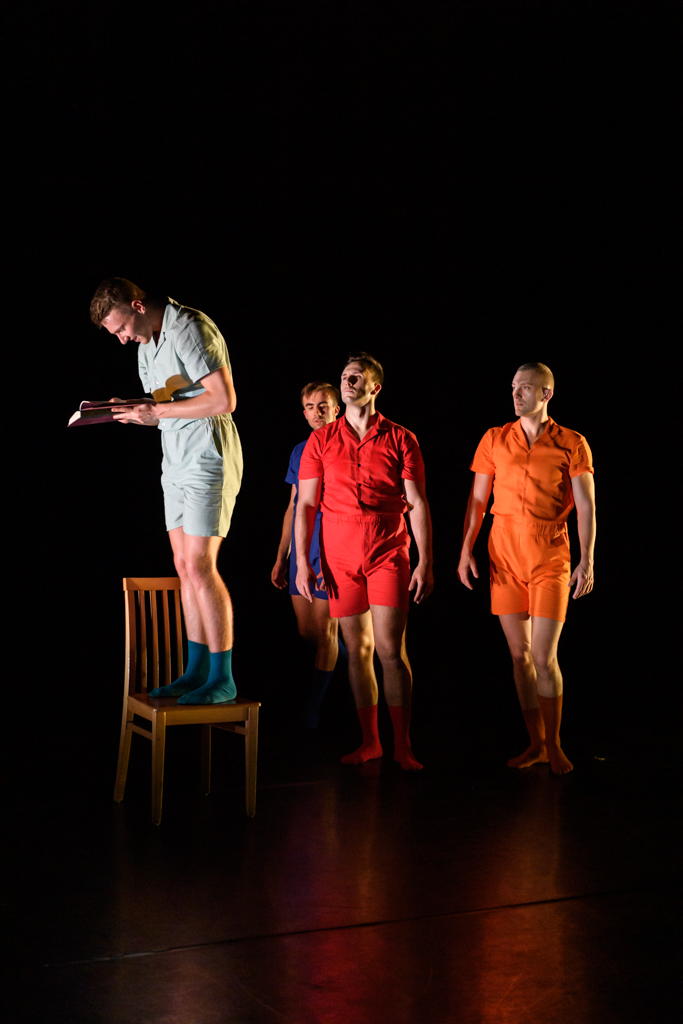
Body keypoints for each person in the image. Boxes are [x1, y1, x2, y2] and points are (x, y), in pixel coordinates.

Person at [90, 277, 243, 705]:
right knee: (182, 565)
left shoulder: (191, 326)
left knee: (199, 564)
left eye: (120, 328)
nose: (120, 340)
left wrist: (155, 410)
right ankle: (195, 672)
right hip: (174, 457)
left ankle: (222, 676)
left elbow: (222, 399)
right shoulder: (144, 348)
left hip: (207, 452)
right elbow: (169, 406)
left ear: (137, 306)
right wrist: (135, 411)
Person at [295, 352, 434, 770]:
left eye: (356, 377)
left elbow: (418, 502)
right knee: (357, 648)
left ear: (375, 387)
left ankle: (403, 744)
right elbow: (305, 505)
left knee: (391, 649)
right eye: (343, 377)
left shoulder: (401, 437)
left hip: (387, 547)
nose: (347, 382)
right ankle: (370, 740)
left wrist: (426, 559)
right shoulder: (321, 441)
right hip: (339, 551)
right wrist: (303, 561)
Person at [458, 362, 596, 774]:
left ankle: (554, 745)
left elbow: (586, 504)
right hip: (503, 551)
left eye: (525, 388)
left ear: (546, 394)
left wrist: (587, 559)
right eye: (514, 387)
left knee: (542, 653)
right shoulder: (495, 438)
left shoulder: (572, 442)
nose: (516, 394)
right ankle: (535, 743)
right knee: (519, 656)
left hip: (549, 551)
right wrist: (466, 549)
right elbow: (478, 501)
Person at [271, 382, 343, 728]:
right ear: (304, 412)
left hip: (334, 545)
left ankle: (312, 709)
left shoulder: (346, 446)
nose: (317, 412)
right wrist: (281, 556)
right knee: (308, 632)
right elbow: (293, 505)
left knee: (326, 631)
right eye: (311, 406)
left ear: (336, 409)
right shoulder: (300, 450)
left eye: (324, 406)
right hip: (303, 545)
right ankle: (356, 654)